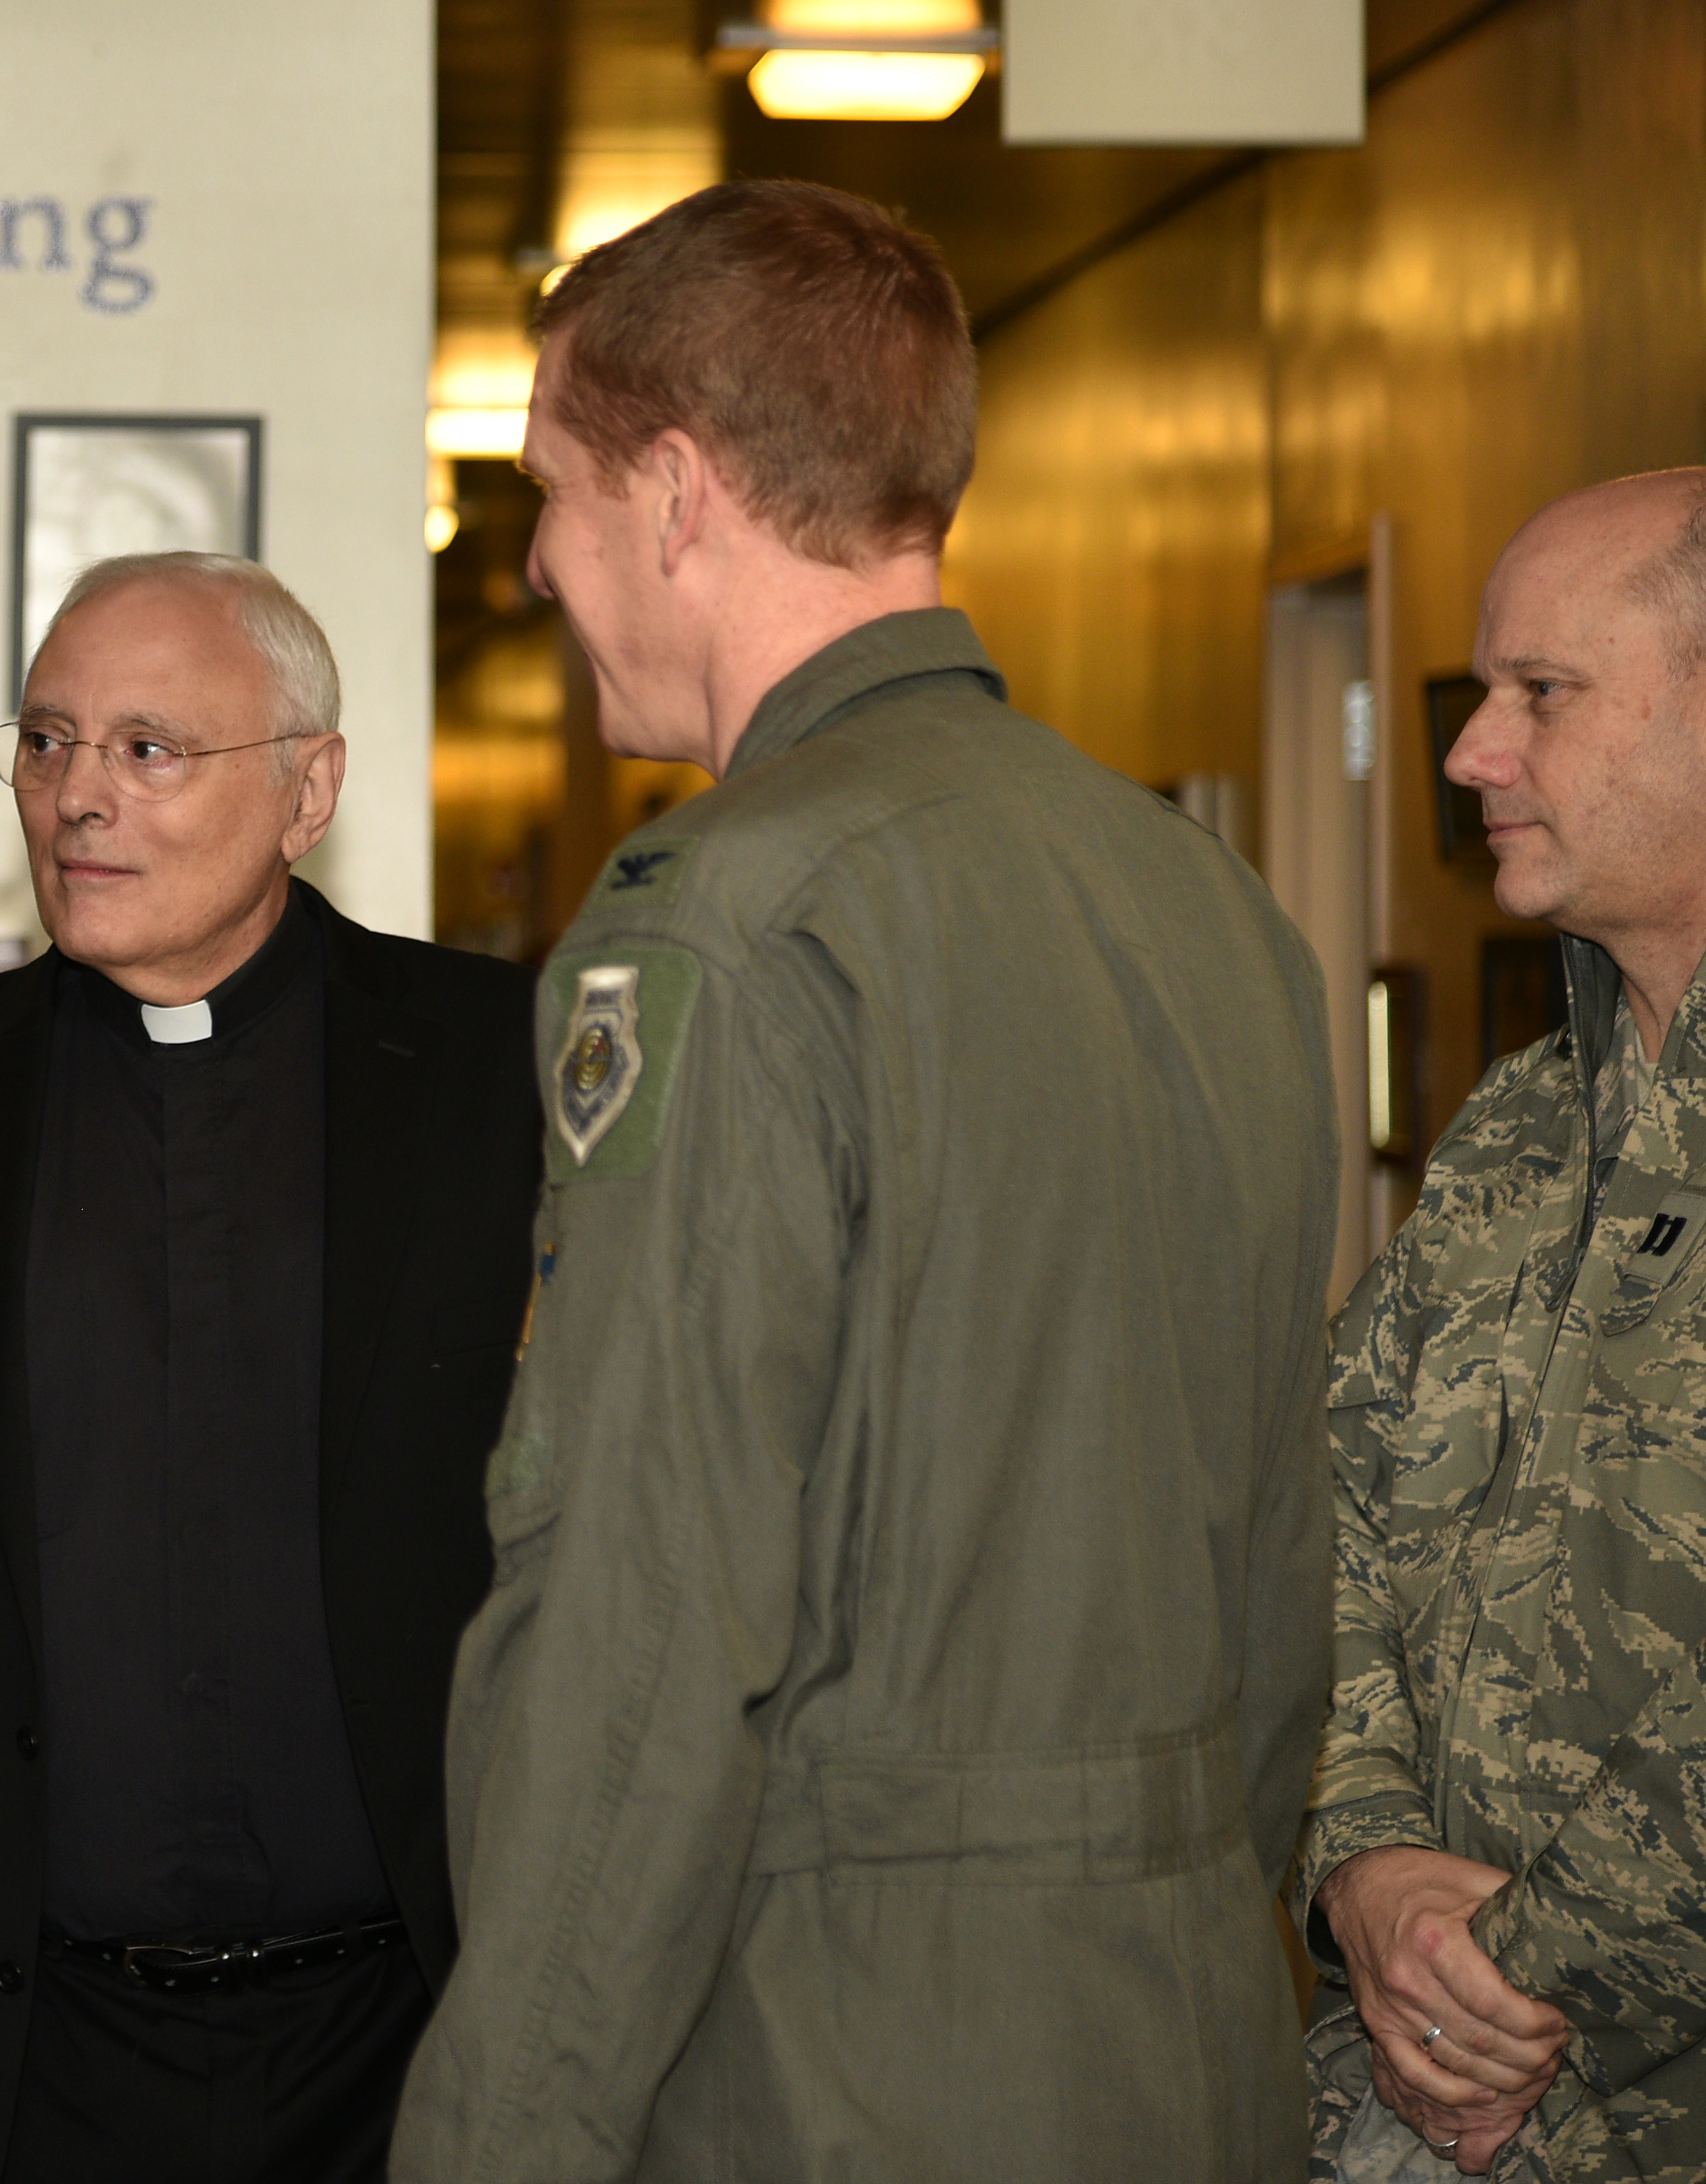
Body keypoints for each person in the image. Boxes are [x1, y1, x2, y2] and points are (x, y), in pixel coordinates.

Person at [392, 179, 1340, 2183]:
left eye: (547, 492)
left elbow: (651, 1621)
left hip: (834, 2080)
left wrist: (502, 2140)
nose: (544, 565)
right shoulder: (1203, 900)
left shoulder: (723, 925)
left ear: (672, 492)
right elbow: (1278, 1582)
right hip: (1177, 2045)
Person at [0, 552, 546, 2184]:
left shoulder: (503, 1080)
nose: (75, 798)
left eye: (146, 750)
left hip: (414, 2065)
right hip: (11, 2078)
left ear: (306, 788)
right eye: (43, 742)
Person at [1298, 470, 1706, 2181]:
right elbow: (1317, 1515)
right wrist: (1362, 1863)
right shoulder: (1524, 1126)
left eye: (1539, 691)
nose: (1468, 752)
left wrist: (1507, 1980)